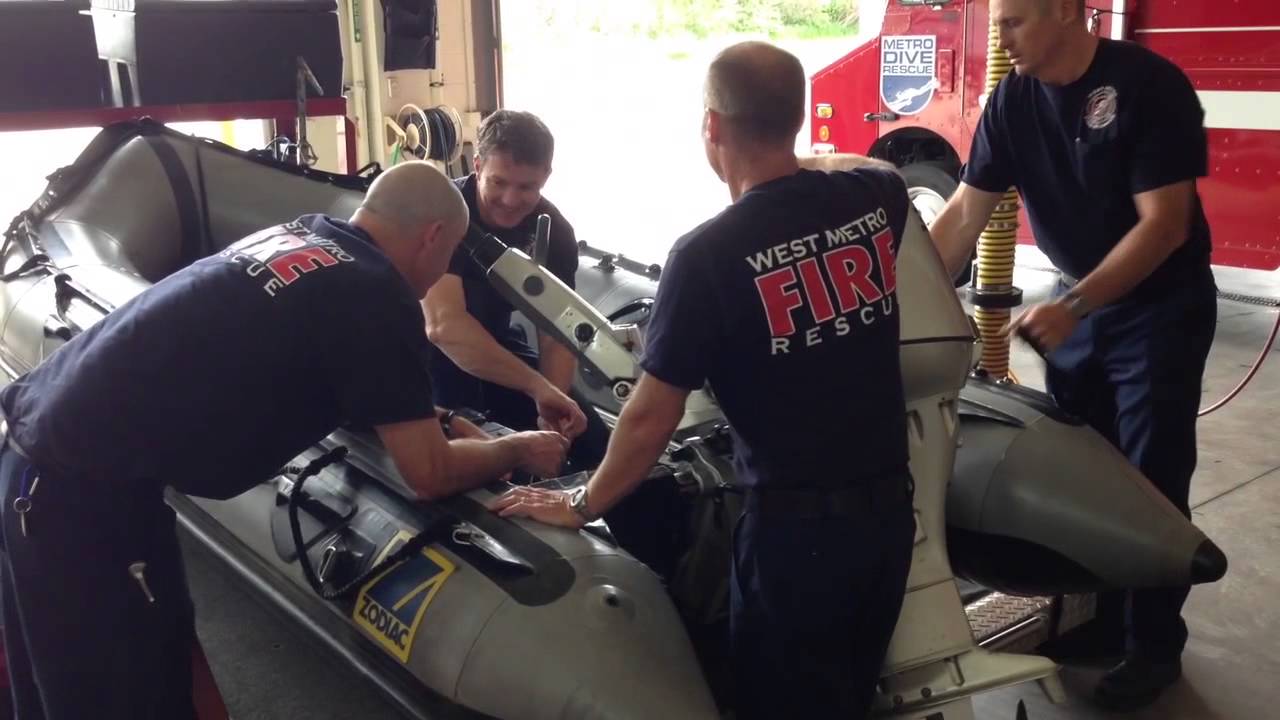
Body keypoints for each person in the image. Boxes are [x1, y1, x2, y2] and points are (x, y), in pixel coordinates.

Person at [0, 161, 568, 719]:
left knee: (97, 671)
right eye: (449, 256)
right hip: (76, 499)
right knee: (123, 693)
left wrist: (436, 418)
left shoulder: (304, 235)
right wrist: (516, 447)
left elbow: (342, 375)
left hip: (38, 452)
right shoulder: (377, 294)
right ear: (434, 237)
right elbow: (429, 474)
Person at [489, 41, 916, 719]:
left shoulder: (706, 256)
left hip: (792, 537)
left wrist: (580, 503)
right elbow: (865, 168)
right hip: (889, 516)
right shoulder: (876, 198)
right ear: (795, 117)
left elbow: (653, 415)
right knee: (849, 694)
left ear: (712, 125)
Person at [928, 0, 1218, 710]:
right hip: (1078, 309)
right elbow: (966, 211)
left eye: (1015, 22)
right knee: (1082, 474)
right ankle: (1097, 621)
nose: (1001, 38)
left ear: (1066, 12)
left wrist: (1075, 307)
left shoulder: (1149, 86)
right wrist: (904, 296)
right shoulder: (1012, 99)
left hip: (1157, 309)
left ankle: (1153, 648)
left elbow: (1165, 226)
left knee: (1147, 481)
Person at [423, 109, 609, 471]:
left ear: (546, 177)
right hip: (426, 358)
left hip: (497, 345)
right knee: (476, 459)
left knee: (591, 446)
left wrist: (552, 407)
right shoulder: (442, 212)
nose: (510, 200)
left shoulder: (555, 231)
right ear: (477, 165)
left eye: (526, 187)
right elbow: (444, 327)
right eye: (498, 182)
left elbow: (556, 330)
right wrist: (536, 387)